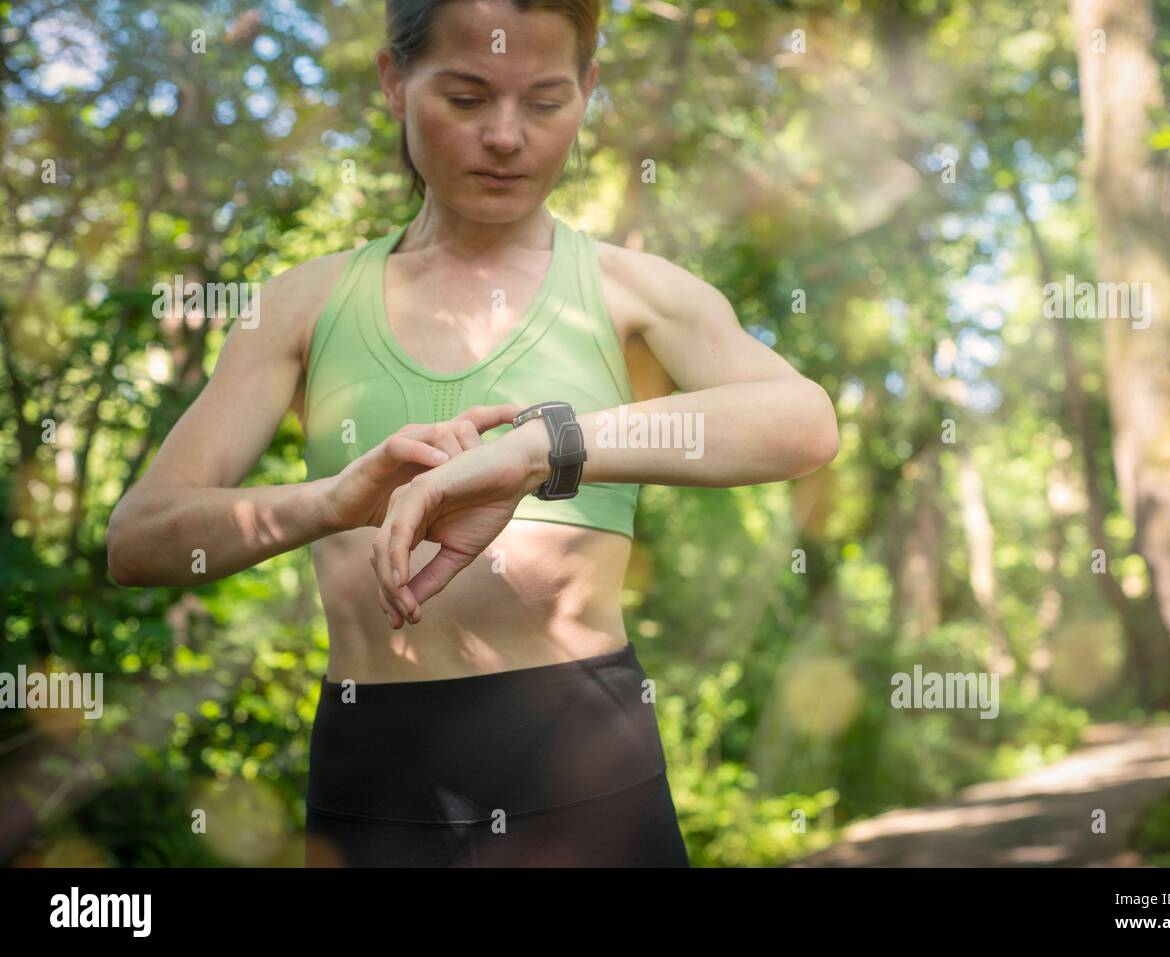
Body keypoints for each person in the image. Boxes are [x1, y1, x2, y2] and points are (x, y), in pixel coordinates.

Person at [107, 0, 839, 867]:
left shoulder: (629, 289)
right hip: (373, 781)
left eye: (544, 101)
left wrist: (537, 451)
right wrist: (334, 501)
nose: (504, 136)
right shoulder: (302, 304)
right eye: (465, 97)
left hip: (588, 766)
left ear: (589, 89)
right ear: (394, 81)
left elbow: (804, 421)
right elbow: (140, 540)